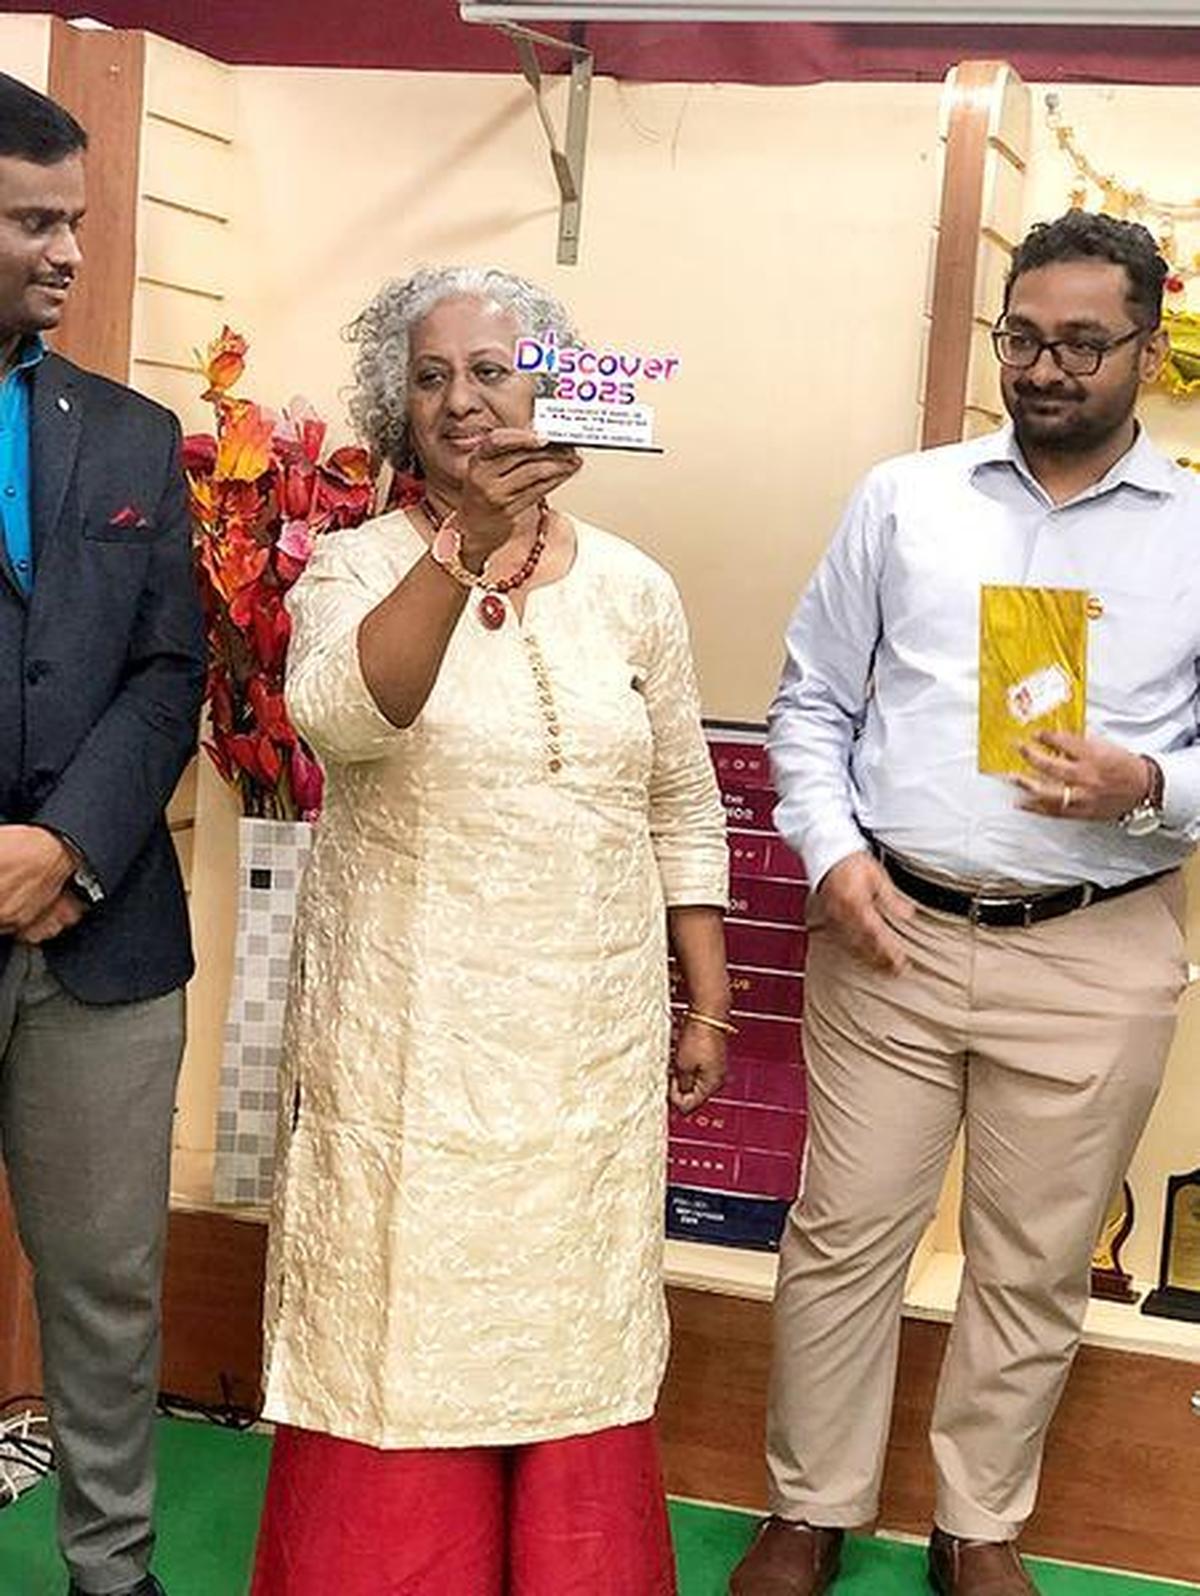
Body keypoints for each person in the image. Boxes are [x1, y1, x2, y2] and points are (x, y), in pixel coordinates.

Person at [730, 211, 1198, 1596]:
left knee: (1033, 1261)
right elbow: (810, 705)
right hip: (895, 933)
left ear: (1146, 349)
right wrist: (834, 857)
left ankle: (976, 1525)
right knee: (840, 1238)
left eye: (1079, 344)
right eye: (1022, 339)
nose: (1045, 370)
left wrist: (1149, 783)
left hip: (1098, 950)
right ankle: (808, 1509)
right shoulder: (905, 500)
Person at [249, 265, 730, 1596]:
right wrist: (457, 548)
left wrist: (712, 998)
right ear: (396, 407)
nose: (464, 400)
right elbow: (347, 720)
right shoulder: (349, 565)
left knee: (573, 1334)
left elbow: (680, 801)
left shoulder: (636, 588)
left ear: (550, 385)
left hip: (584, 1061)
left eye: (493, 369)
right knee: (399, 1336)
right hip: (407, 1057)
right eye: (431, 376)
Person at [0, 74, 205, 1596]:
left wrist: (64, 844)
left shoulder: (132, 437)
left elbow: (166, 672)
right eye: (32, 222)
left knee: (108, 1286)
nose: (68, 252)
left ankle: (111, 1570)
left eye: (75, 220)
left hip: (104, 932)